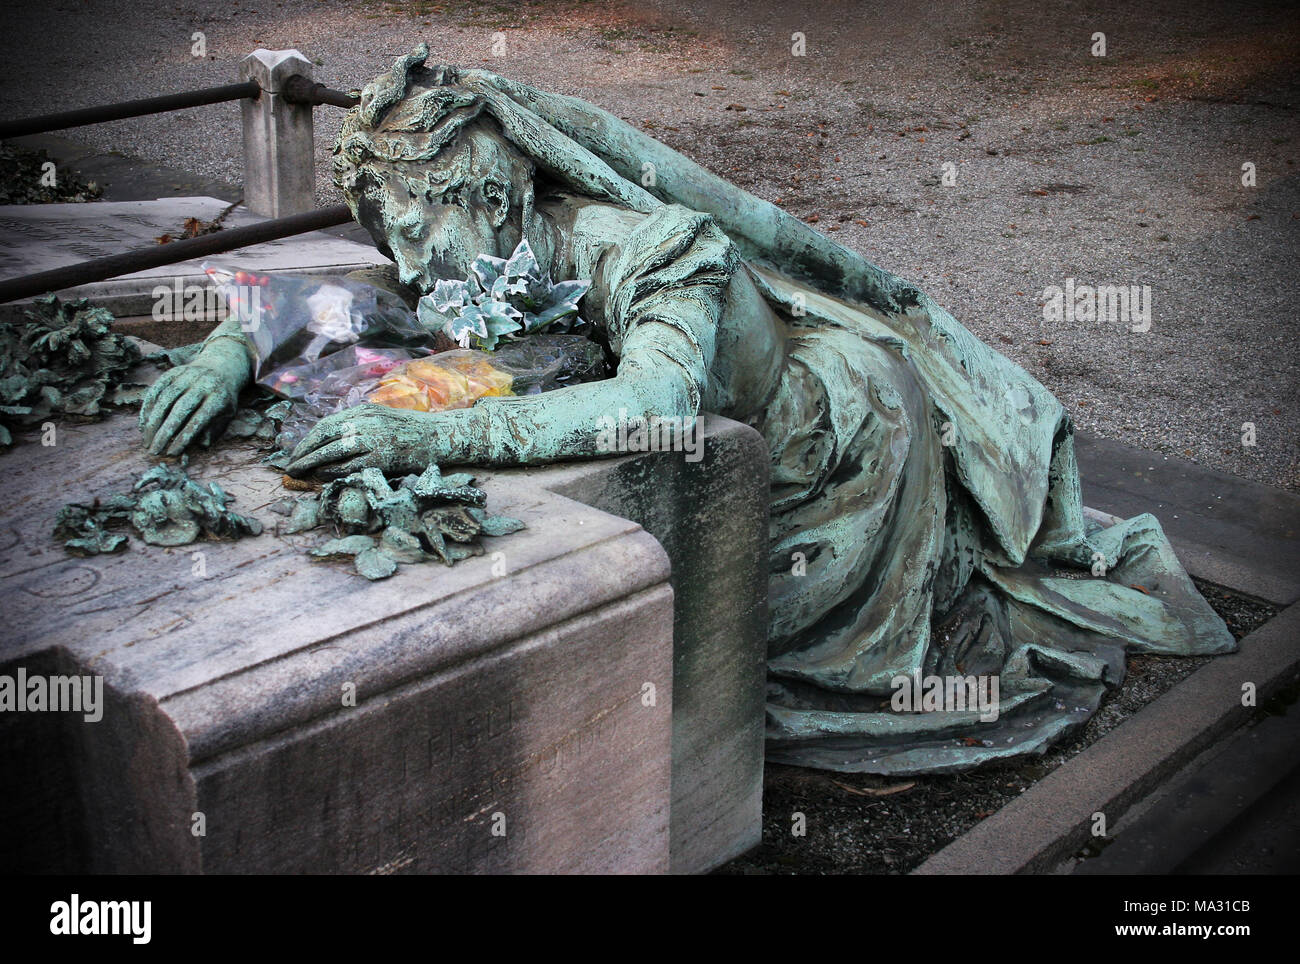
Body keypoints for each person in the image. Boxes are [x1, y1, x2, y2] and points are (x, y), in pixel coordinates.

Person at [139, 46, 1234, 774]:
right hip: (774, 417)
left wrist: (428, 431)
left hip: (841, 440)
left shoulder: (636, 248)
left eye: (419, 230)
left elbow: (660, 401)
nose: (410, 261)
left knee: (804, 689)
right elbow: (387, 303)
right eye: (396, 235)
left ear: (486, 195)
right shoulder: (479, 252)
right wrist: (242, 343)